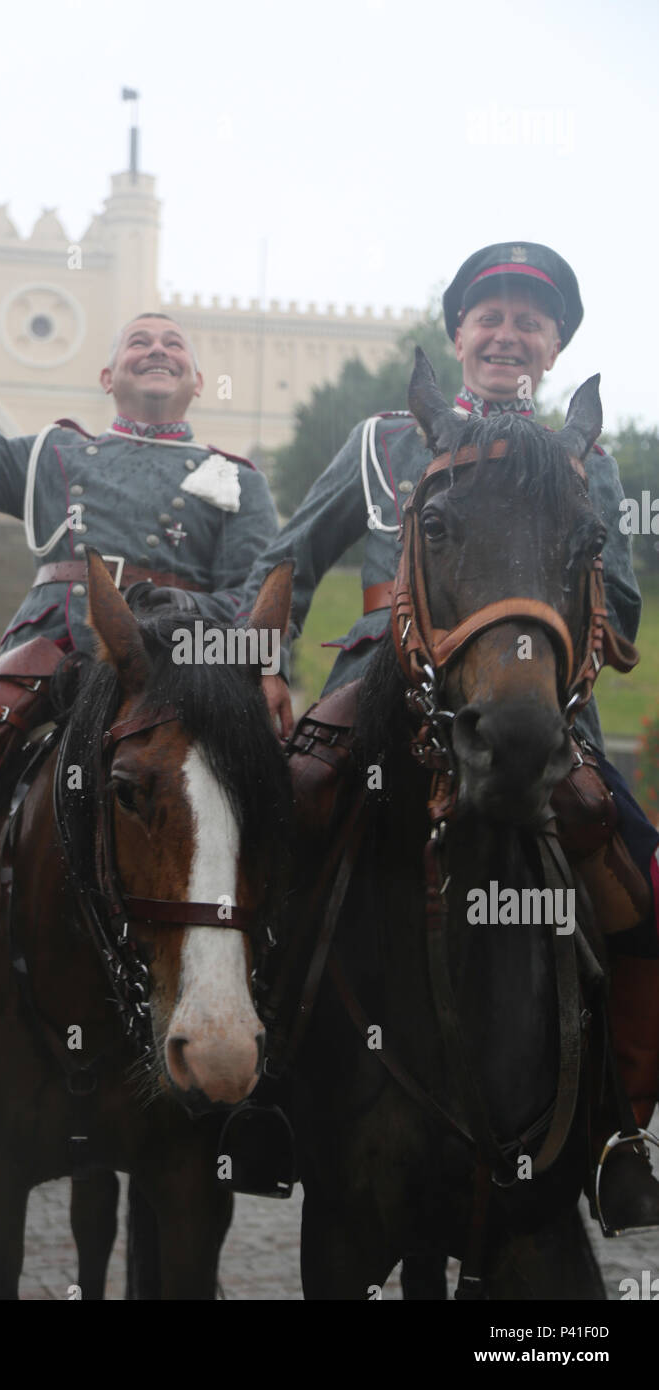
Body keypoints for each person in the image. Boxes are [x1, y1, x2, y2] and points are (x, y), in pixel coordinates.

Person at [242, 241, 659, 1234]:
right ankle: (259, 1088)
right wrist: (263, 659)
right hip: (379, 692)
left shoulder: (583, 457)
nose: (507, 332)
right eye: (490, 315)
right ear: (458, 334)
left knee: (641, 877)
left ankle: (616, 1124)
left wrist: (577, 601)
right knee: (275, 823)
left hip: (539, 709)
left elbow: (626, 602)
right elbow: (289, 556)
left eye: (529, 319)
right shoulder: (380, 441)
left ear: (552, 347)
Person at [0, 252, 279, 1106]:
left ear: (194, 381)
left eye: (174, 344)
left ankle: (267, 1010)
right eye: (140, 341)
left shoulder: (235, 477)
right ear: (109, 375)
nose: (158, 349)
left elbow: (258, 590)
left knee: (283, 800)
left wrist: (222, 658)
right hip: (56, 655)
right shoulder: (52, 455)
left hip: (181, 677)